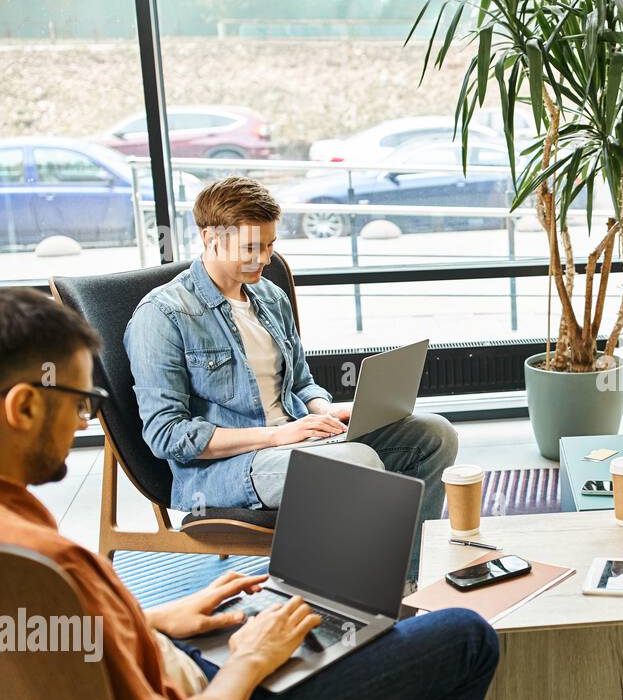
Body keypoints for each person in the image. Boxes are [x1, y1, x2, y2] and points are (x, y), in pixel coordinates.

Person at [0, 288, 498, 700]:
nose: (84, 420)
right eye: (82, 402)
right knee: (467, 638)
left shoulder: (31, 558)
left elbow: (56, 651)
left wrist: (147, 622)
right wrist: (250, 662)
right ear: (26, 406)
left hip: (174, 663)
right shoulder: (51, 566)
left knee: (332, 613)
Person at [124, 176, 457, 580]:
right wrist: (278, 435)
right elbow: (167, 435)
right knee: (358, 461)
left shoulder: (269, 297)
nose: (265, 259)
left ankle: (403, 579)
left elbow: (300, 381)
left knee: (434, 435)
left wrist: (323, 410)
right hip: (230, 469)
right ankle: (358, 586)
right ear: (210, 238)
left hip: (298, 439)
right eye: (252, 248)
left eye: (270, 245)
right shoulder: (162, 315)